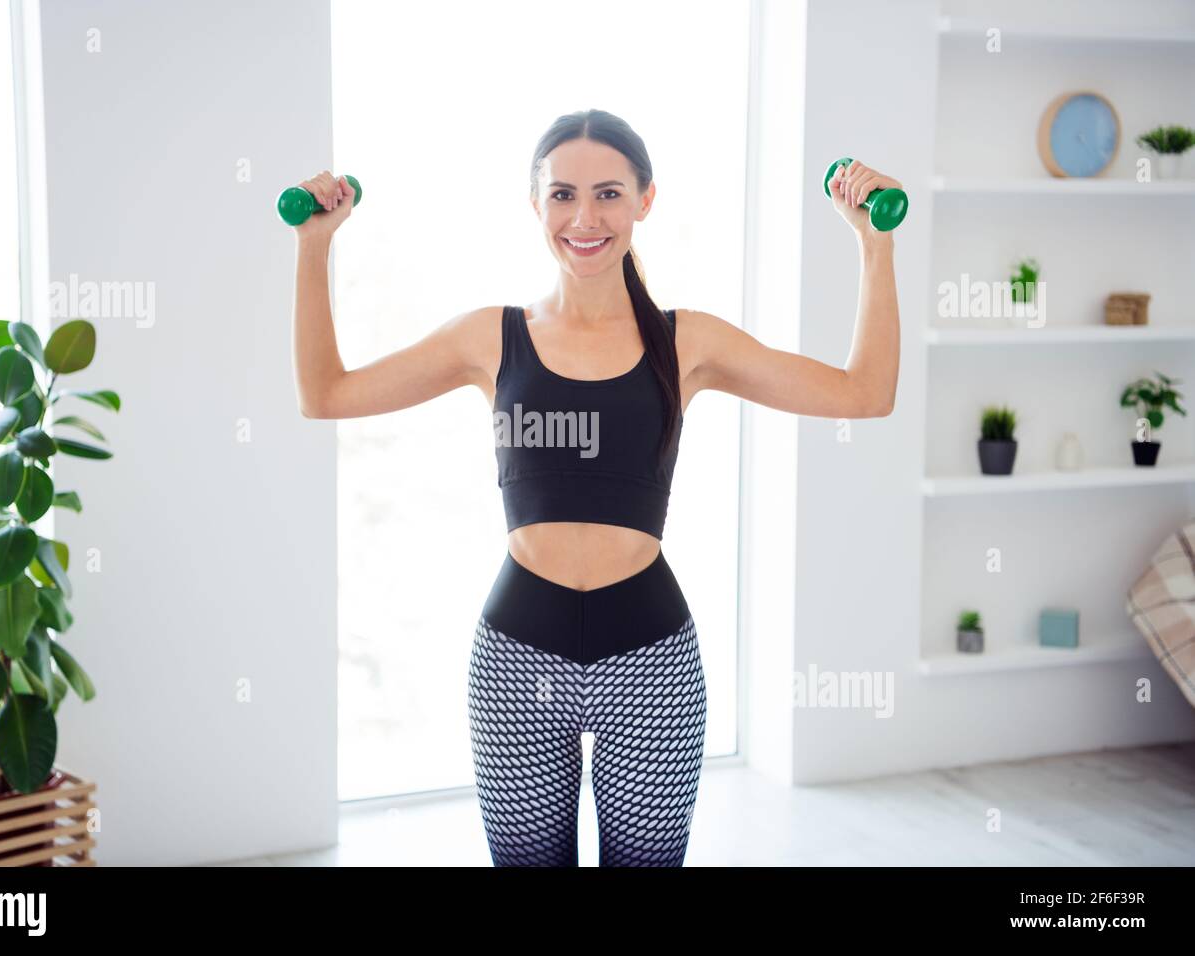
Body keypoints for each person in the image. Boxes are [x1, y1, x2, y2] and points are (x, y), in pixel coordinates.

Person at [291, 109, 900, 866]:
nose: (585, 217)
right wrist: (313, 246)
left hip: (651, 663)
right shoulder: (491, 336)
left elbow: (864, 394)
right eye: (563, 195)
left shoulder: (688, 342)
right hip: (517, 662)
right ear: (536, 203)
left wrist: (875, 245)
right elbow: (327, 394)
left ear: (645, 200)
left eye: (609, 194)